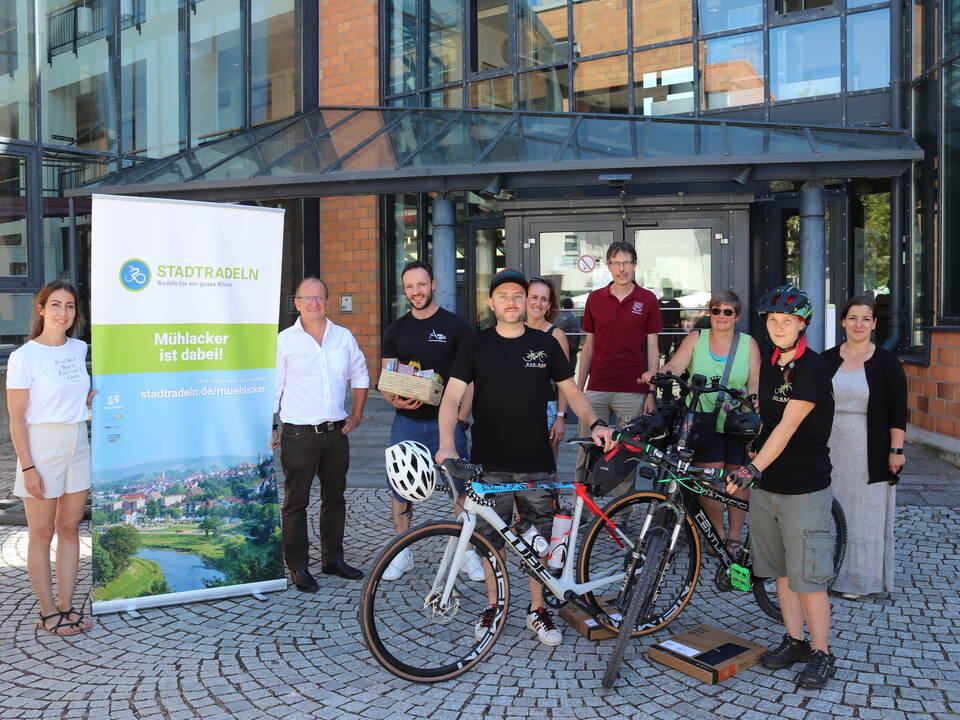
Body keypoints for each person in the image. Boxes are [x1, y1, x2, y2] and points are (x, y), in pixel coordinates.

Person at [436, 268, 615, 647]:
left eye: (519, 295)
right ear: (491, 303)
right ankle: (494, 604)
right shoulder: (475, 345)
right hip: (489, 462)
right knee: (489, 539)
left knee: (541, 538)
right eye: (504, 296)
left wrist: (596, 422)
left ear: (527, 301)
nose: (513, 302)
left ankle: (537, 609)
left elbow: (573, 391)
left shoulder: (545, 344)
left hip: (536, 460)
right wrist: (447, 444)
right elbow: (451, 397)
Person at [726, 285, 837, 690]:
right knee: (782, 575)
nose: (778, 327)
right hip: (769, 487)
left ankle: (822, 652)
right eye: (772, 320)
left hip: (803, 487)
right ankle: (795, 640)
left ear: (802, 324)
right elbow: (767, 423)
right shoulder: (772, 364)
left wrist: (751, 468)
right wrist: (750, 458)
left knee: (808, 577)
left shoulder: (813, 367)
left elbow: (789, 426)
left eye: (786, 321)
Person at [379, 260, 482, 581]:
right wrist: (394, 397)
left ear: (433, 284)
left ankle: (466, 552)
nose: (416, 291)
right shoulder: (396, 330)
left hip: (448, 424)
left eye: (421, 284)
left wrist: (461, 421)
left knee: (460, 486)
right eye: (410, 286)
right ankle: (401, 551)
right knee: (401, 484)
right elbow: (387, 379)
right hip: (407, 421)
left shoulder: (456, 327)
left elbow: (472, 380)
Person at [642, 290, 760, 554]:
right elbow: (676, 364)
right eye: (715, 311)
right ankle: (716, 532)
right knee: (709, 479)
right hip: (703, 420)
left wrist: (756, 407)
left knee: (737, 476)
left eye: (727, 311)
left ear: (736, 316)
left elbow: (754, 383)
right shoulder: (697, 338)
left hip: (736, 422)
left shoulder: (748, 344)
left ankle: (734, 535)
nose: (720, 316)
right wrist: (657, 375)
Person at [7, 281, 93, 635]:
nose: (63, 312)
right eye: (55, 305)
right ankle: (47, 612)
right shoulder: (24, 357)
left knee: (70, 530)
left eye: (69, 306)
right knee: (41, 533)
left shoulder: (79, 348)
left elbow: (75, 394)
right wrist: (28, 467)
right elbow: (16, 418)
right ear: (41, 309)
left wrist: (89, 398)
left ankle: (67, 605)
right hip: (42, 446)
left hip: (78, 441)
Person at [271, 277, 369, 591]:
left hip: (335, 433)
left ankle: (332, 559)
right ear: (296, 303)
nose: (315, 303)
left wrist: (356, 413)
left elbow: (361, 374)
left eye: (320, 298)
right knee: (295, 503)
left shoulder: (343, 337)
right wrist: (271, 425)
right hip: (299, 435)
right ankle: (298, 567)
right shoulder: (285, 341)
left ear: (327, 300)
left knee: (335, 498)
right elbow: (274, 389)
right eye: (307, 298)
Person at [822, 296, 906, 600]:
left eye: (865, 319)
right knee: (826, 510)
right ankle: (824, 574)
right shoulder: (826, 359)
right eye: (853, 318)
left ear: (874, 324)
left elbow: (898, 410)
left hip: (868, 448)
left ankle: (858, 580)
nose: (859, 324)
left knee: (863, 515)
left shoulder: (887, 362)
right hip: (828, 448)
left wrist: (896, 451)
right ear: (843, 322)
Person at [576, 241, 662, 496]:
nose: (621, 268)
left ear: (634, 265)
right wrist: (578, 389)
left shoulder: (647, 299)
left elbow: (653, 349)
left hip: (632, 390)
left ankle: (621, 518)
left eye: (626, 263)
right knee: (586, 452)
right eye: (616, 263)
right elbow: (588, 347)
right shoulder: (595, 298)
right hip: (597, 388)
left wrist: (651, 392)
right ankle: (580, 513)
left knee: (625, 456)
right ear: (609, 266)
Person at [526, 277, 571, 460]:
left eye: (543, 299)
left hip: (546, 411)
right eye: (534, 297)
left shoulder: (557, 336)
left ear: (549, 304)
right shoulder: (512, 330)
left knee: (547, 472)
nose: (538, 303)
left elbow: (565, 383)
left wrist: (561, 417)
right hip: (514, 409)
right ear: (525, 299)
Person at [555, 297, 581, 367]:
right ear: (571, 305)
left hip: (558, 344)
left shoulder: (558, 315)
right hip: (570, 345)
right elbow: (576, 333)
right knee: (571, 361)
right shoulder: (573, 316)